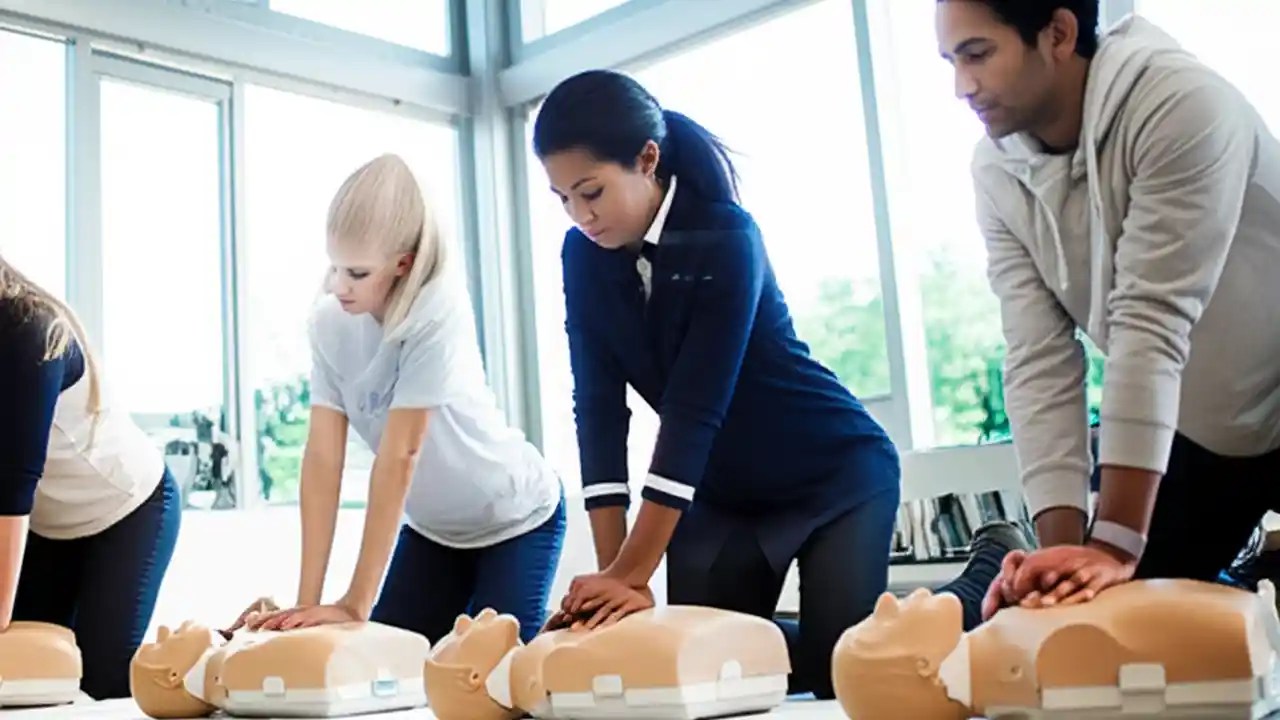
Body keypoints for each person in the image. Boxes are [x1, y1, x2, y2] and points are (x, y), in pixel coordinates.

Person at [529, 68, 1024, 699]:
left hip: (831, 475)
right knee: (703, 667)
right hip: (719, 497)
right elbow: (598, 409)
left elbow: (693, 411)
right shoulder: (582, 256)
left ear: (646, 160)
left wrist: (634, 570)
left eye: (591, 192)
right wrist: (615, 579)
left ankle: (989, 569)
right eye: (563, 199)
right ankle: (820, 637)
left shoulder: (726, 236)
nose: (580, 216)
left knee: (844, 670)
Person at [934, 0, 1280, 617]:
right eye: (951, 61)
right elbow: (1039, 360)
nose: (962, 86)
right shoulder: (995, 171)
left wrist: (1115, 544)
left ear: (1058, 33)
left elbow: (1149, 322)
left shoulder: (1181, 102)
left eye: (978, 54)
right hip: (1207, 430)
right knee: (1109, 617)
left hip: (1271, 384)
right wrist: (1059, 562)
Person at [239, 154, 565, 645]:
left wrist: (355, 603)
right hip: (435, 530)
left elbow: (400, 456)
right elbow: (322, 459)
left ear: (402, 264)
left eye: (357, 272)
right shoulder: (328, 324)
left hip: (515, 516)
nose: (339, 285)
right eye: (334, 266)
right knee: (389, 663)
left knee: (493, 668)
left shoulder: (436, 311)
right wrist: (305, 606)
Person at [0, 256, 181, 699]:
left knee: (104, 679)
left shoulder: (30, 333)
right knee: (28, 677)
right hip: (47, 524)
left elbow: (11, 485)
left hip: (127, 508)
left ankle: (206, 659)